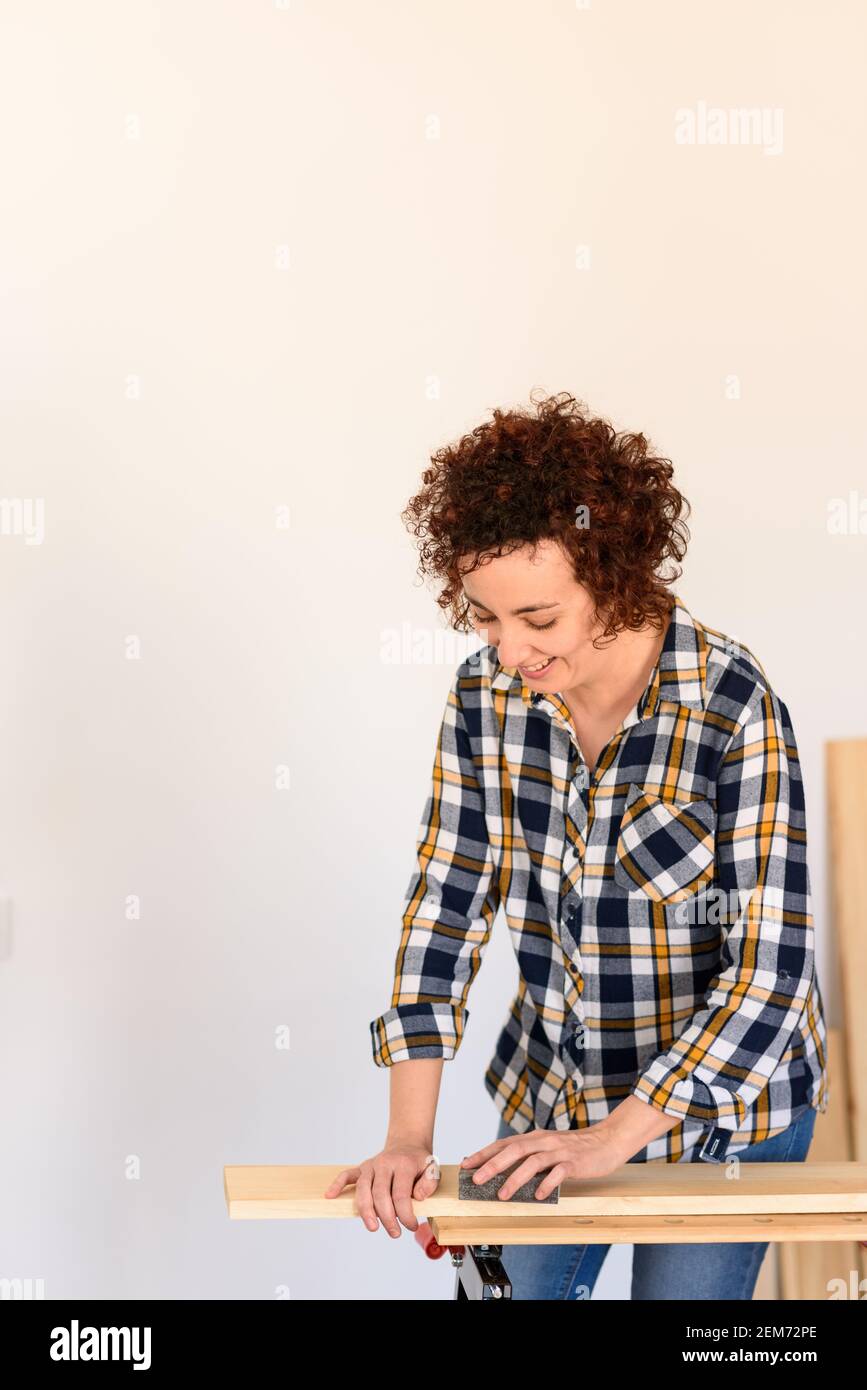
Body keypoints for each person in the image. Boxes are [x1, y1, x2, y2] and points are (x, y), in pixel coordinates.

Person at [324, 389, 829, 1300]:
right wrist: (408, 1138)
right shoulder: (486, 696)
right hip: (550, 1096)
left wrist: (611, 1140)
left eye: (540, 620)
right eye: (484, 616)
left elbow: (769, 972)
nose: (509, 650)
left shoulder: (730, 704)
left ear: (617, 576)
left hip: (720, 1120)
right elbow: (445, 906)